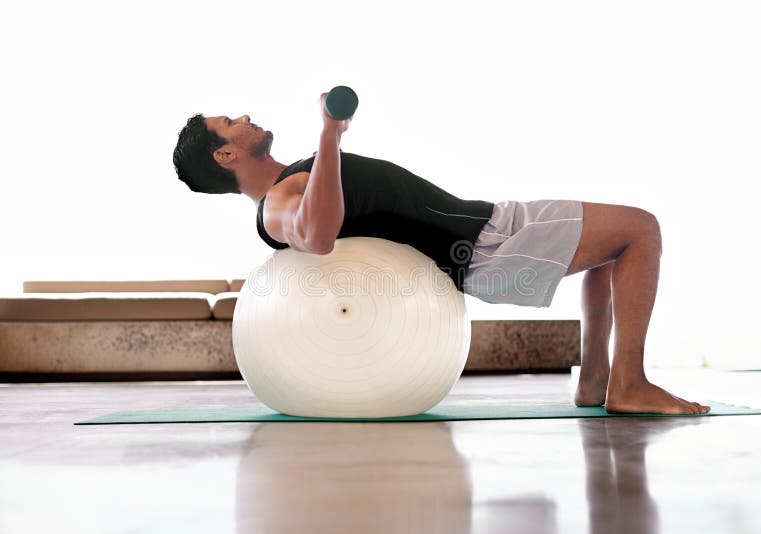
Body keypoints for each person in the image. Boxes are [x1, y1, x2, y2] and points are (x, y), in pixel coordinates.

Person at [173, 92, 710, 416]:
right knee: (642, 230)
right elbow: (315, 235)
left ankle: (598, 380)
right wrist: (330, 134)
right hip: (485, 249)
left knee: (617, 245)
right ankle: (630, 383)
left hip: (490, 224)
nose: (242, 115)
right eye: (229, 123)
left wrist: (327, 143)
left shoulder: (296, 179)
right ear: (225, 154)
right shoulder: (277, 203)